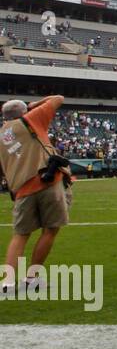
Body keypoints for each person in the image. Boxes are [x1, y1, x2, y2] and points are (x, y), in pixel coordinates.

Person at [0, 95, 72, 295]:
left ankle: (8, 282)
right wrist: (34, 105)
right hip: (47, 182)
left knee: (20, 235)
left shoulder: (0, 136)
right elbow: (59, 98)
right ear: (24, 112)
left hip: (21, 190)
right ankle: (32, 277)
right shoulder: (31, 119)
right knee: (51, 229)